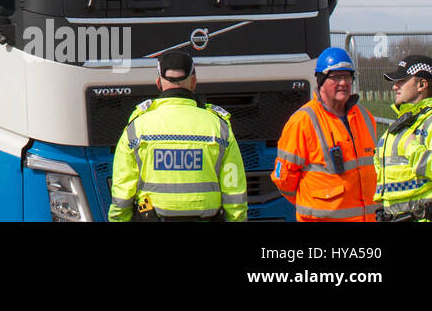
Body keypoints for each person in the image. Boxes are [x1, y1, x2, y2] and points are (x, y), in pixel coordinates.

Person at [109, 51, 247, 221]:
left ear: (158, 83)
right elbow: (234, 190)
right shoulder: (219, 127)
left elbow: (122, 190)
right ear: (194, 82)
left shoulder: (137, 127)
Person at [271, 46, 378, 221]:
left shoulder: (366, 117)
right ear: (320, 81)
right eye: (336, 77)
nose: (343, 82)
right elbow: (284, 180)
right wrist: (313, 204)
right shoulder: (302, 121)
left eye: (347, 76)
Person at [374, 53, 432, 221]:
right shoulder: (396, 128)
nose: (394, 86)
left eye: (401, 80)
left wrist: (413, 150)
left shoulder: (429, 122)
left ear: (422, 84)